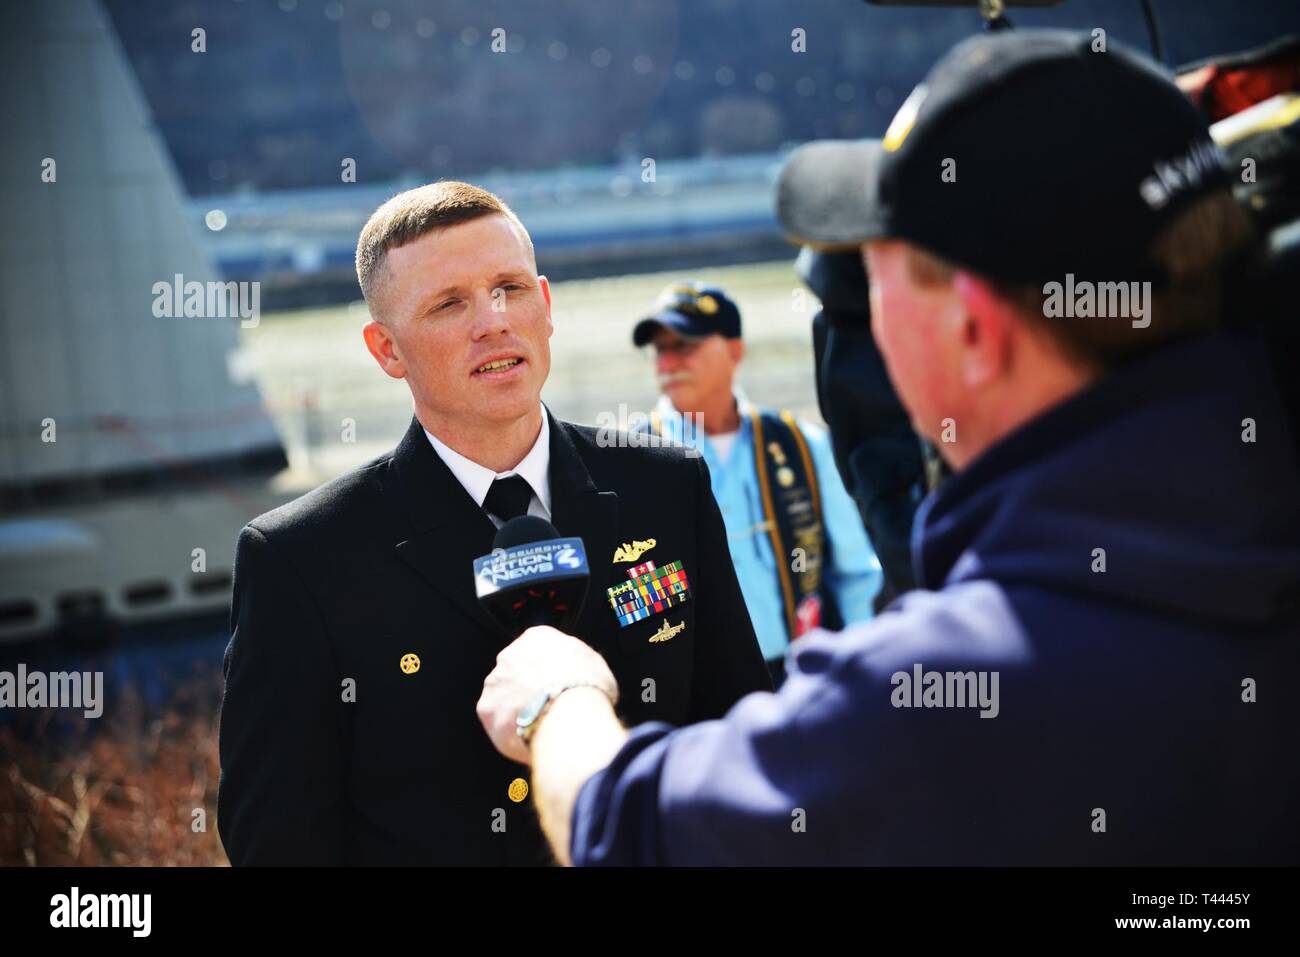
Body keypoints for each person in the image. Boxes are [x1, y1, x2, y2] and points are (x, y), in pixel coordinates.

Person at [475, 30, 1300, 865]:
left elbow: (628, 827)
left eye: (874, 281)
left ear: (975, 329)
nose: (860, 321)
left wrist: (558, 698)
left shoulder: (946, 688)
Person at [217, 181, 771, 866]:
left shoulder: (664, 483)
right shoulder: (302, 558)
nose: (493, 320)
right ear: (387, 350)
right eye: (450, 303)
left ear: (546, 305)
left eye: (509, 288)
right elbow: (278, 842)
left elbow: (737, 732)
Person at [632, 282, 883, 686]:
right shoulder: (631, 459)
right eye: (660, 349)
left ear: (735, 351)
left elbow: (856, 574)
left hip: (808, 677)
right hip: (700, 690)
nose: (669, 361)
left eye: (685, 344)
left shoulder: (802, 443)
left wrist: (860, 669)